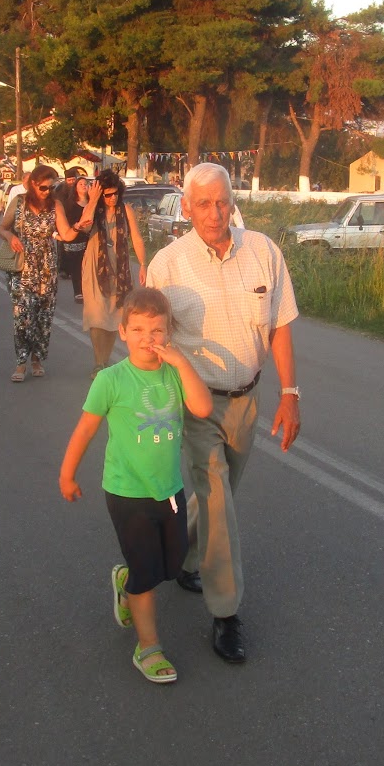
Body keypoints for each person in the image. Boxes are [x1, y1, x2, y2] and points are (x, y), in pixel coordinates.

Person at [146, 162, 300, 664]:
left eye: (223, 201)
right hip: (196, 403)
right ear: (185, 207)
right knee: (216, 497)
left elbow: (278, 325)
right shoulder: (167, 266)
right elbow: (150, 343)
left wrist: (291, 393)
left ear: (234, 202)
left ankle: (181, 557)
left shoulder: (264, 252)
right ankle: (227, 612)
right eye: (203, 203)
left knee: (220, 494)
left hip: (247, 400)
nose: (214, 213)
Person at [59, 288, 212, 684]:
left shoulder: (175, 373)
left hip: (169, 489)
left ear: (169, 334)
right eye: (139, 328)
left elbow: (203, 408)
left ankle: (126, 580)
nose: (149, 337)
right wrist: (67, 473)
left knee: (172, 561)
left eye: (157, 330)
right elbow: (86, 429)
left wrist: (181, 364)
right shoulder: (111, 380)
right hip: (127, 493)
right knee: (148, 570)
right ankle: (148, 647)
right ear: (123, 332)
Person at [0, 164, 81, 382]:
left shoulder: (55, 205)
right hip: (23, 266)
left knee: (44, 316)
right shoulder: (19, 203)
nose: (47, 192)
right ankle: (21, 363)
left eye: (50, 188)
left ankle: (37, 359)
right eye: (43, 188)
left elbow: (67, 234)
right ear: (33, 184)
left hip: (47, 266)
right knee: (23, 316)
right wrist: (11, 237)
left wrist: (79, 227)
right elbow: (2, 227)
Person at [80, 171, 148, 377]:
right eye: (108, 194)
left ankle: (105, 360)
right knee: (96, 314)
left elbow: (136, 238)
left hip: (119, 267)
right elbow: (83, 226)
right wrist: (92, 201)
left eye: (116, 193)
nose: (113, 198)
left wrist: (144, 264)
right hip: (94, 265)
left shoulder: (126, 210)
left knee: (113, 316)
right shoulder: (93, 210)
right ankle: (98, 361)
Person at [59, 176, 93, 302]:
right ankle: (78, 291)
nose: (84, 186)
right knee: (76, 266)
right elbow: (64, 222)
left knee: (88, 265)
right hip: (74, 238)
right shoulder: (69, 204)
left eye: (86, 184)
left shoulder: (92, 203)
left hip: (89, 238)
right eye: (81, 184)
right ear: (76, 188)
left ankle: (88, 290)